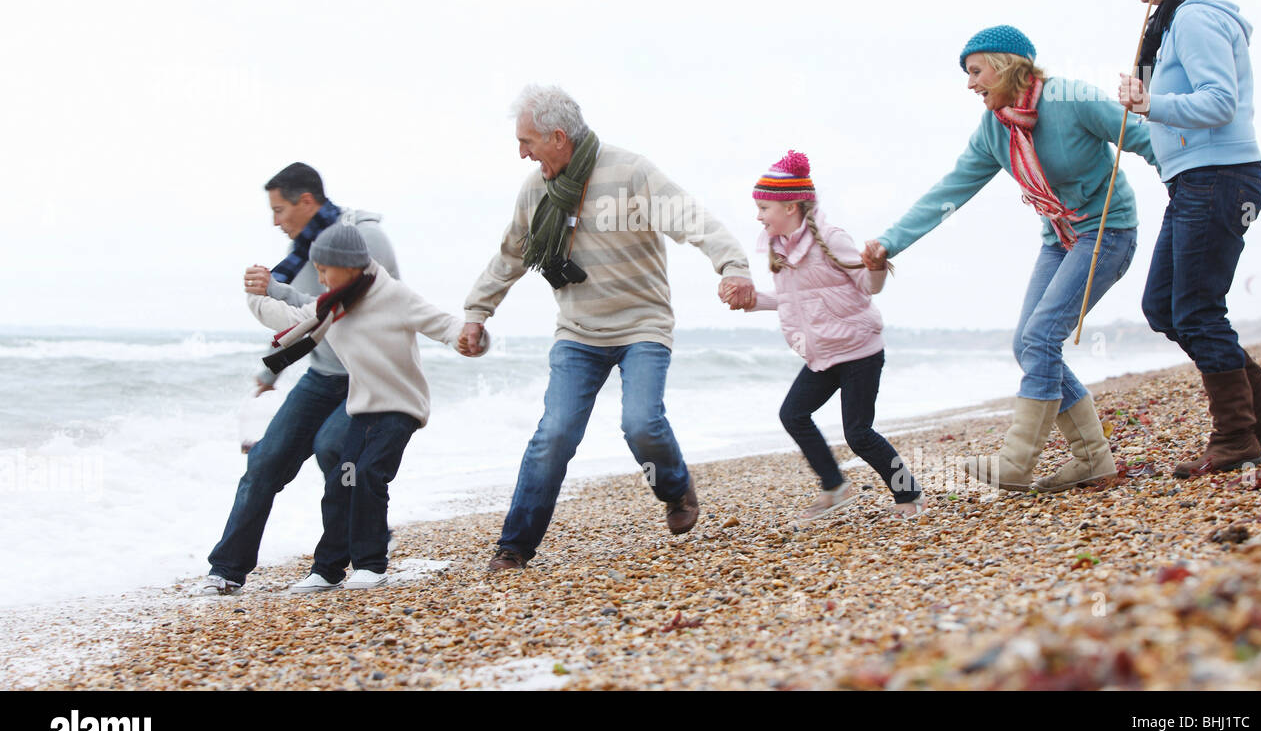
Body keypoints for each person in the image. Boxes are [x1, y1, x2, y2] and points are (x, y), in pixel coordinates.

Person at [459, 85, 755, 571]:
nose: (522, 153)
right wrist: (477, 312)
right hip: (578, 332)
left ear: (558, 137)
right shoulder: (537, 189)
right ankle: (514, 546)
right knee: (553, 434)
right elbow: (511, 254)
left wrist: (733, 266)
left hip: (642, 324)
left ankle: (675, 487)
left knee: (641, 423)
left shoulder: (630, 171)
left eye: (527, 141)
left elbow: (690, 217)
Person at [862, 26, 1160, 493]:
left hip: (1107, 232)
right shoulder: (994, 129)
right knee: (1027, 343)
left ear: (1005, 64)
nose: (969, 84)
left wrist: (1195, 186)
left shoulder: (1071, 98)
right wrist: (890, 242)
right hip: (1058, 238)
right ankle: (1093, 459)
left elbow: (1143, 140)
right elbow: (951, 190)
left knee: (1042, 337)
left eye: (975, 70)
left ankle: (1017, 463)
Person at [1118, 0, 1261, 478]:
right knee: (1163, 307)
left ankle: (1237, 437)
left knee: (1195, 310)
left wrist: (1153, 105)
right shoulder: (1175, 23)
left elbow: (1218, 102)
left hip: (1221, 178)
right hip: (1197, 180)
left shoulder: (1194, 18)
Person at [196, 162, 398, 596]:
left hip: (369, 376)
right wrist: (271, 366)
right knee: (264, 464)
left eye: (280, 210)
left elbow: (371, 309)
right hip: (323, 375)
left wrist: (279, 291)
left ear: (306, 201)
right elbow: (302, 322)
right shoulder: (301, 252)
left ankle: (343, 560)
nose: (275, 222)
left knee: (334, 450)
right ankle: (226, 571)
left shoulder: (366, 238)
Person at [246, 222, 476, 591]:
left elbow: (442, 323)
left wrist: (466, 338)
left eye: (324, 270)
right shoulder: (331, 308)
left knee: (368, 474)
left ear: (350, 265)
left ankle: (371, 564)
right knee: (343, 478)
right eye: (316, 270)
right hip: (363, 411)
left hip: (400, 408)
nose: (319, 279)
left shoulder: (394, 296)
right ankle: (328, 568)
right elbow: (289, 316)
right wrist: (258, 295)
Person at [729, 150, 922, 519]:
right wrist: (753, 300)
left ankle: (909, 496)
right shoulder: (778, 248)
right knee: (793, 414)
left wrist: (877, 266)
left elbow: (868, 286)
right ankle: (835, 486)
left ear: (790, 207)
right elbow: (792, 300)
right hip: (822, 354)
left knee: (859, 434)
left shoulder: (831, 239)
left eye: (764, 207)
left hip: (859, 351)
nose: (758, 216)